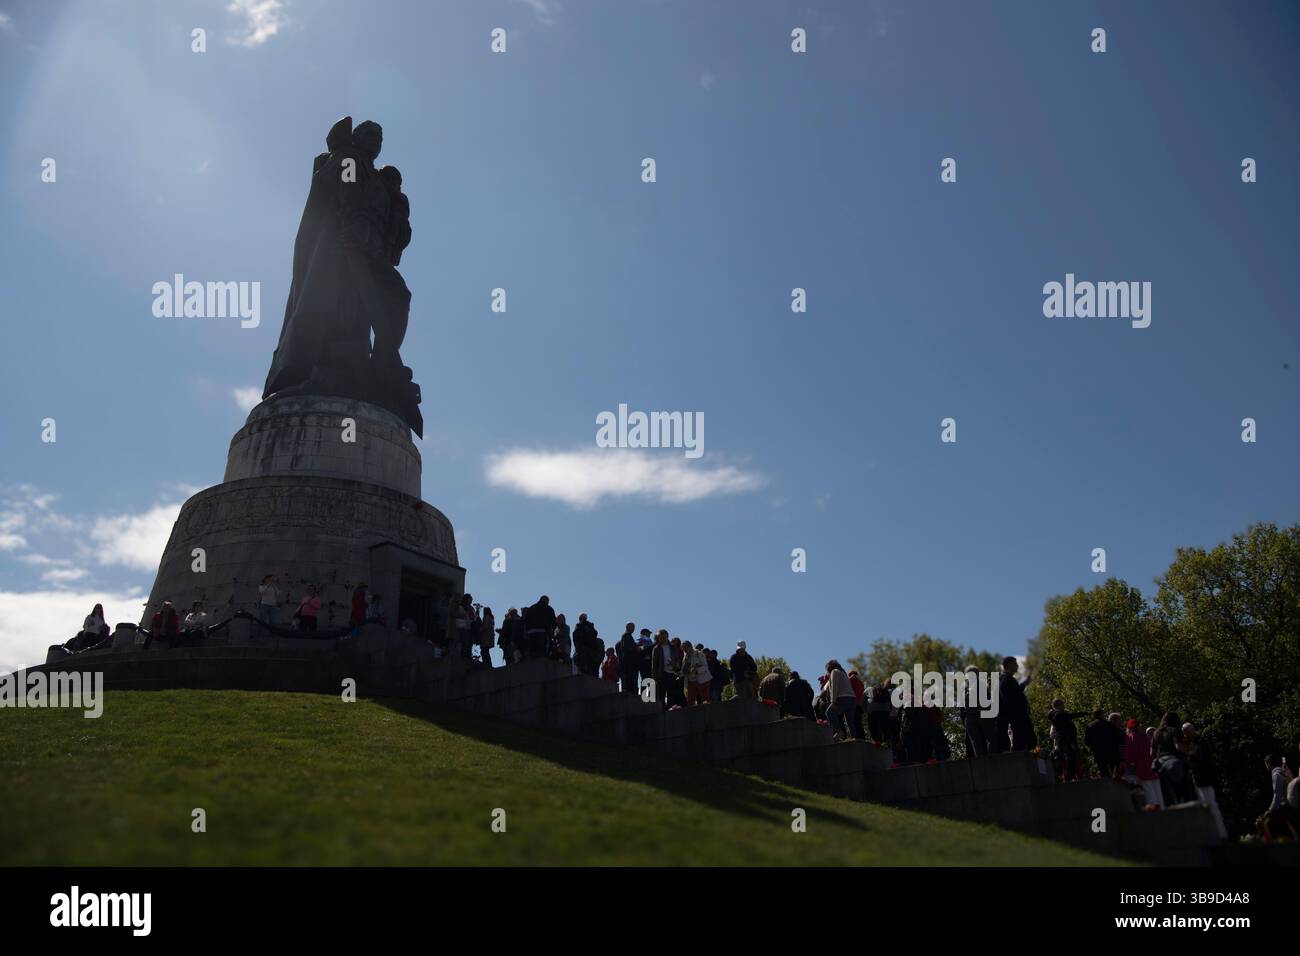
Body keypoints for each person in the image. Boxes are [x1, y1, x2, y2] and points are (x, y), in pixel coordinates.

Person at [1180, 723, 1227, 839]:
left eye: (1186, 732)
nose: (1185, 735)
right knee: (1207, 805)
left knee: (1211, 804)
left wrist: (1189, 754)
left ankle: (1220, 833)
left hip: (1204, 778)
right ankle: (1216, 832)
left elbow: (1202, 760)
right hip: (1201, 778)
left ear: (1192, 731)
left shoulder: (1199, 742)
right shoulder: (1195, 742)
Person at [1121, 719, 1163, 808]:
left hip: (1141, 769)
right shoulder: (1144, 737)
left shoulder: (1130, 738)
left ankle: (1155, 811)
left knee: (1148, 790)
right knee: (1157, 789)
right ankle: (1162, 808)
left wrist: (1129, 768)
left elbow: (1128, 756)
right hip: (1151, 767)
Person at [995, 656, 1034, 752]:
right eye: (1015, 664)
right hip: (1017, 717)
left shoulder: (1008, 679)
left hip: (1019, 716)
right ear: (1009, 665)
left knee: (1028, 740)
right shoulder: (1006, 679)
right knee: (1022, 741)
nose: (1017, 666)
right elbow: (1012, 695)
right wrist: (1024, 684)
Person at [1047, 699, 1087, 781]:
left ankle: (1072, 776)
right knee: (1070, 757)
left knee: (1074, 757)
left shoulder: (1058, 715)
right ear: (1059, 705)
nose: (1064, 706)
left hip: (1067, 739)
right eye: (1062, 704)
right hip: (1066, 740)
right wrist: (1082, 713)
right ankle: (1070, 777)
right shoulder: (1058, 715)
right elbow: (1054, 733)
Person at [824, 660, 858, 741]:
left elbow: (834, 687)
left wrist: (833, 701)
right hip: (852, 699)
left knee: (829, 712)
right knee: (850, 722)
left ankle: (838, 731)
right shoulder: (843, 673)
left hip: (843, 698)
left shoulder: (834, 672)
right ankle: (854, 738)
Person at [1084, 709, 1123, 778]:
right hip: (1112, 752)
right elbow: (1118, 739)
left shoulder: (1089, 726)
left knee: (1104, 773)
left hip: (1098, 752)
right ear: (1102, 715)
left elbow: (1087, 742)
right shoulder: (1109, 724)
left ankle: (1106, 786)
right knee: (1115, 773)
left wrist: (1095, 745)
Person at [650, 630, 674, 709]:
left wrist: (675, 665)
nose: (663, 639)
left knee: (671, 694)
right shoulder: (656, 648)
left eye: (664, 637)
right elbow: (654, 664)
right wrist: (655, 677)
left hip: (672, 673)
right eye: (661, 637)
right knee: (661, 695)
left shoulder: (672, 647)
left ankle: (671, 710)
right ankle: (662, 711)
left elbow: (676, 658)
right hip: (662, 673)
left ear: (667, 637)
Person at [616, 624, 641, 696]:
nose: (633, 629)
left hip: (630, 662)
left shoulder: (628, 636)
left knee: (631, 680)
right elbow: (626, 647)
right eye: (631, 627)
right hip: (628, 662)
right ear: (627, 627)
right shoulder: (626, 635)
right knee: (629, 679)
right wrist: (636, 648)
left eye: (633, 627)